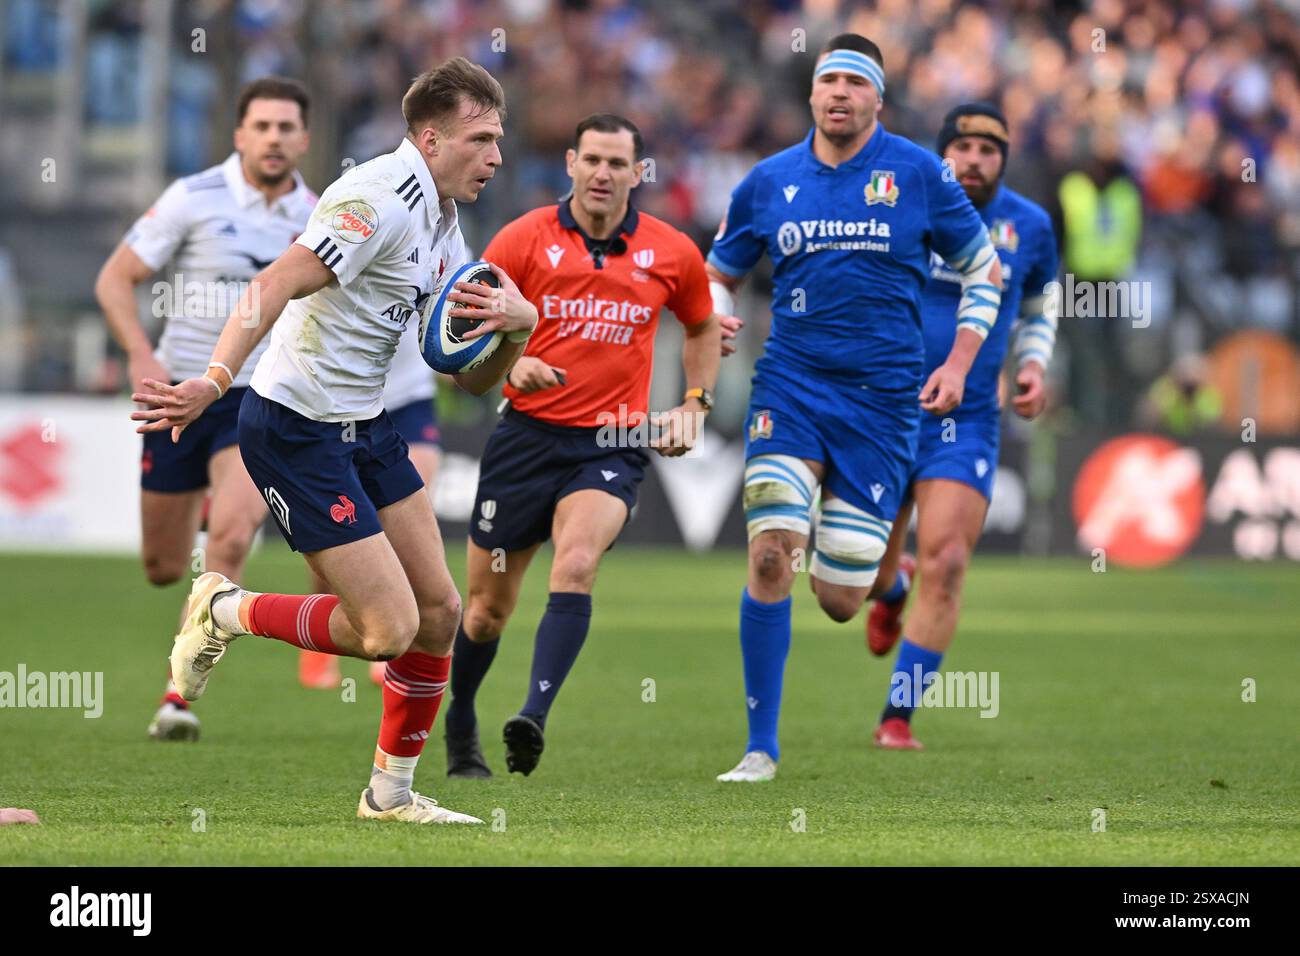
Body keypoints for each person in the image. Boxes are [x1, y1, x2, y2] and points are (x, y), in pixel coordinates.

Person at [131, 58, 537, 824]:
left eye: (499, 139)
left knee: (441, 612)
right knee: (389, 630)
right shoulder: (376, 197)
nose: (496, 156)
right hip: (295, 429)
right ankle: (226, 610)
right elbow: (275, 283)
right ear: (430, 137)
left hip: (365, 426)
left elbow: (470, 381)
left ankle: (389, 797)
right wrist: (215, 382)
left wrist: (518, 332)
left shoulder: (446, 223)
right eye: (482, 139)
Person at [707, 35, 1001, 782]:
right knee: (772, 550)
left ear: (878, 100)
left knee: (841, 598)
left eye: (853, 82)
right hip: (791, 389)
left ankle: (888, 584)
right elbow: (718, 275)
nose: (838, 92)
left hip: (883, 406)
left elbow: (984, 271)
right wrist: (716, 313)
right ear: (811, 95)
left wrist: (961, 364)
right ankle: (759, 748)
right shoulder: (769, 181)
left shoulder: (919, 173)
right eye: (826, 80)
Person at [442, 113, 721, 777]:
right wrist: (510, 366)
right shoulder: (522, 240)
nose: (602, 173)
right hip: (526, 438)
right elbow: (457, 336)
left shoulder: (671, 251)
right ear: (569, 162)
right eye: (592, 159)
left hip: (612, 443)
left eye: (617, 163)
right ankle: (460, 720)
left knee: (575, 566)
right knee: (485, 611)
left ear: (637, 173)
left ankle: (532, 717)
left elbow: (703, 327)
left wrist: (694, 405)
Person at [95, 76, 317, 741]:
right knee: (164, 566)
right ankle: (198, 583)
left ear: (305, 139)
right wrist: (140, 353)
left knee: (231, 533)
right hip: (178, 397)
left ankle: (179, 694)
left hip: (255, 397)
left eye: (287, 127)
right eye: (263, 126)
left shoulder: (320, 215)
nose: (274, 138)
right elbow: (115, 277)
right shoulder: (192, 198)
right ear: (239, 134)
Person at [862, 103, 1059, 750]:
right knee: (855, 573)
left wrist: (1032, 364)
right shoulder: (903, 202)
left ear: (1004, 158)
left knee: (947, 562)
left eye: (988, 148)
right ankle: (889, 589)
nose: (974, 158)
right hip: (883, 406)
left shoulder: (1029, 225)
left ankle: (897, 717)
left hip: (966, 416)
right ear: (943, 152)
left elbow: (1038, 306)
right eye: (963, 145)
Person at [298, 327, 445, 690]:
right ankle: (322, 632)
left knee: (411, 515)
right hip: (345, 402)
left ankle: (400, 641)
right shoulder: (339, 268)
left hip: (409, 398)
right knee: (340, 537)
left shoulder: (452, 266)